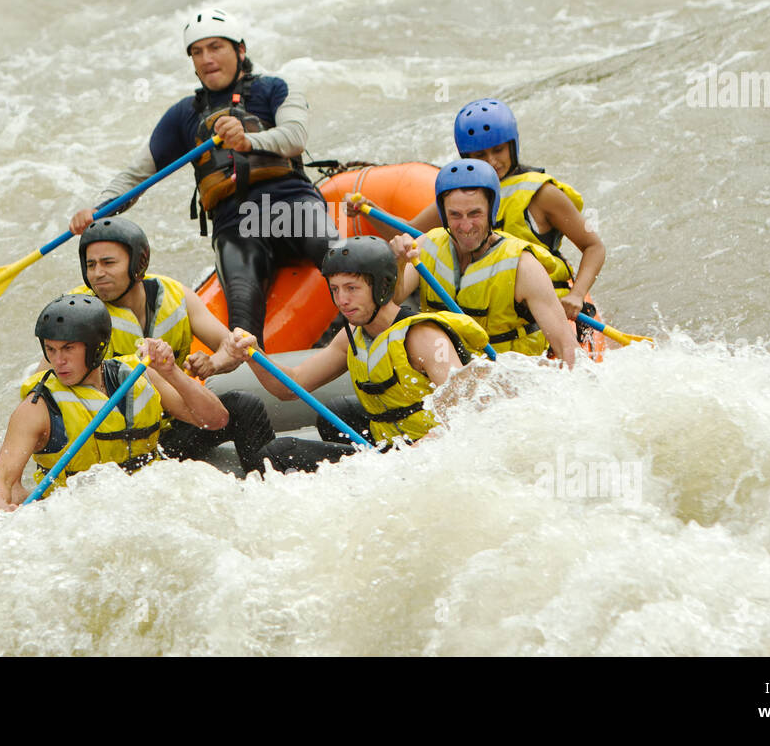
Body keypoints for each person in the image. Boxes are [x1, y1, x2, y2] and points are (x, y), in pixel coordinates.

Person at [69, 8, 336, 347]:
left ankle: (357, 334)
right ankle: (252, 381)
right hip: (238, 225)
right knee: (241, 311)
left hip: (290, 205)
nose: (207, 58)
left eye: (216, 47)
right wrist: (99, 210)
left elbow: (295, 136)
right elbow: (138, 174)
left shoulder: (274, 88)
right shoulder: (184, 114)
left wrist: (248, 140)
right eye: (197, 52)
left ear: (240, 50)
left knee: (341, 259)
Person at [224, 237, 489, 473]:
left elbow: (465, 417)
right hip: (392, 444)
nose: (342, 300)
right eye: (335, 289)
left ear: (382, 287)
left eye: (352, 288)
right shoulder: (353, 335)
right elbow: (291, 386)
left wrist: (407, 459)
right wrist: (254, 355)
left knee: (278, 454)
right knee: (336, 413)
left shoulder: (424, 338)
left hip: (423, 453)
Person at [352, 98, 605, 323]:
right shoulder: (462, 196)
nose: (492, 162)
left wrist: (577, 294)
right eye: (480, 155)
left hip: (536, 304)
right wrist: (370, 211)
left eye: (498, 151)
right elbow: (409, 233)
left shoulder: (543, 195)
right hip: (484, 304)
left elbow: (593, 246)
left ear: (512, 146)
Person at [66, 216, 276, 475]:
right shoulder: (77, 314)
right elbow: (44, 386)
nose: (98, 273)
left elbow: (231, 348)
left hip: (172, 430)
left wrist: (213, 363)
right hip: (120, 447)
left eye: (108, 263)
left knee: (245, 407)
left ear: (137, 263)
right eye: (91, 265)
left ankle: (267, 486)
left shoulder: (176, 296)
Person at [0, 294, 230, 516]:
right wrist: (0, 507)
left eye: (68, 349)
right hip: (81, 517)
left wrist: (171, 371)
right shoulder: (37, 408)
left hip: (153, 502)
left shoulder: (139, 375)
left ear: (97, 347)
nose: (58, 361)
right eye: (51, 349)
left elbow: (216, 419)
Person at [389, 159, 580, 365]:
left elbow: (567, 348)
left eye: (475, 213)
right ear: (443, 214)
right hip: (444, 366)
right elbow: (393, 300)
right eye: (455, 215)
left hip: (504, 375)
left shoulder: (523, 266)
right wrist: (399, 263)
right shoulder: (426, 245)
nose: (465, 226)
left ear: (492, 210)